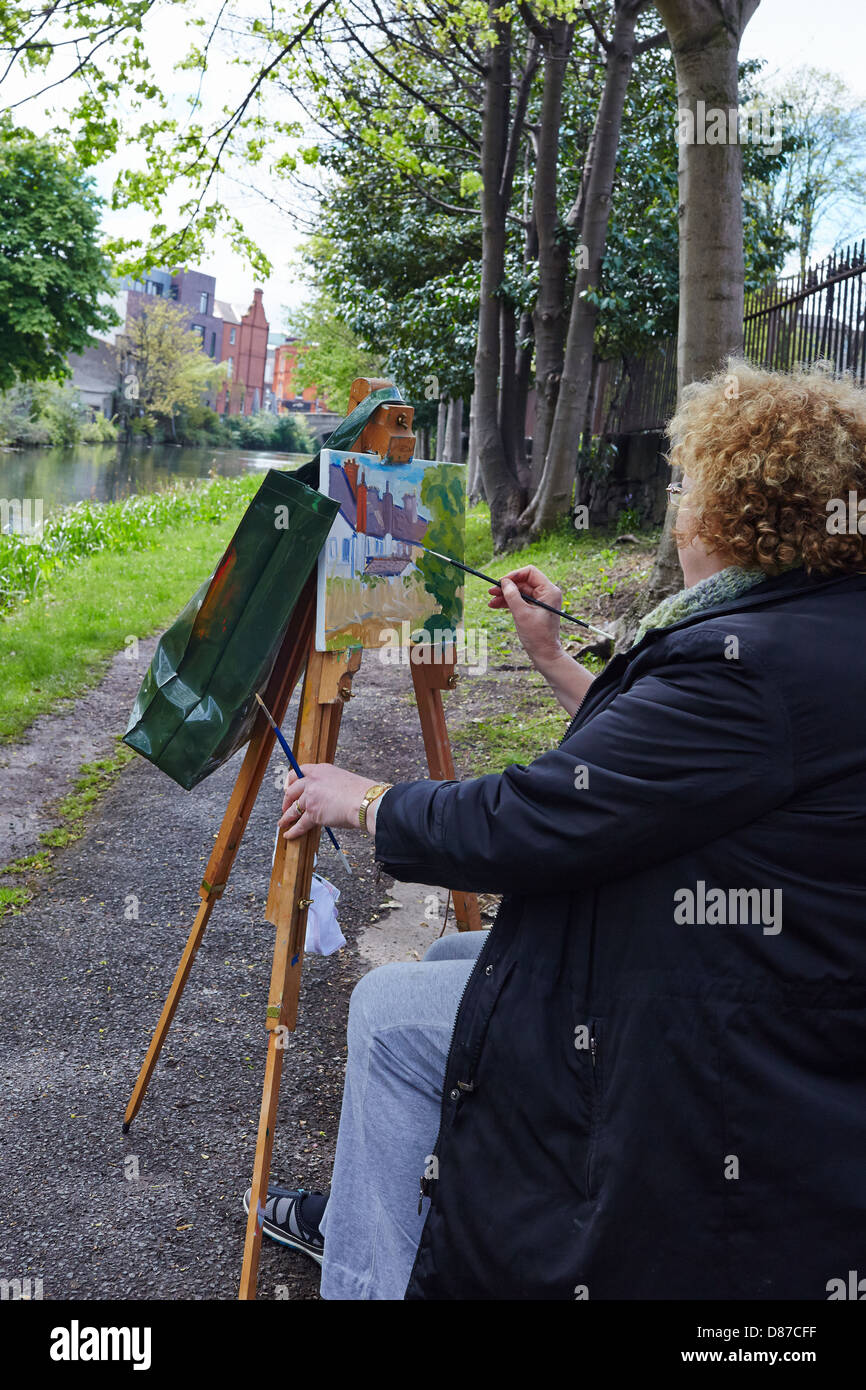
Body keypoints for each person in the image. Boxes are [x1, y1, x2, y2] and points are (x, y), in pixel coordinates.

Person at [244, 360, 866, 1299]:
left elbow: (539, 815)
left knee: (385, 1013)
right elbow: (652, 779)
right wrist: (552, 657)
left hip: (721, 1022)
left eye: (684, 483)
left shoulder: (749, 669)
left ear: (735, 512)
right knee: (459, 959)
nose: (674, 503)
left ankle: (363, 1278)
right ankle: (387, 1216)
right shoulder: (805, 626)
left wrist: (366, 801)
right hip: (740, 960)